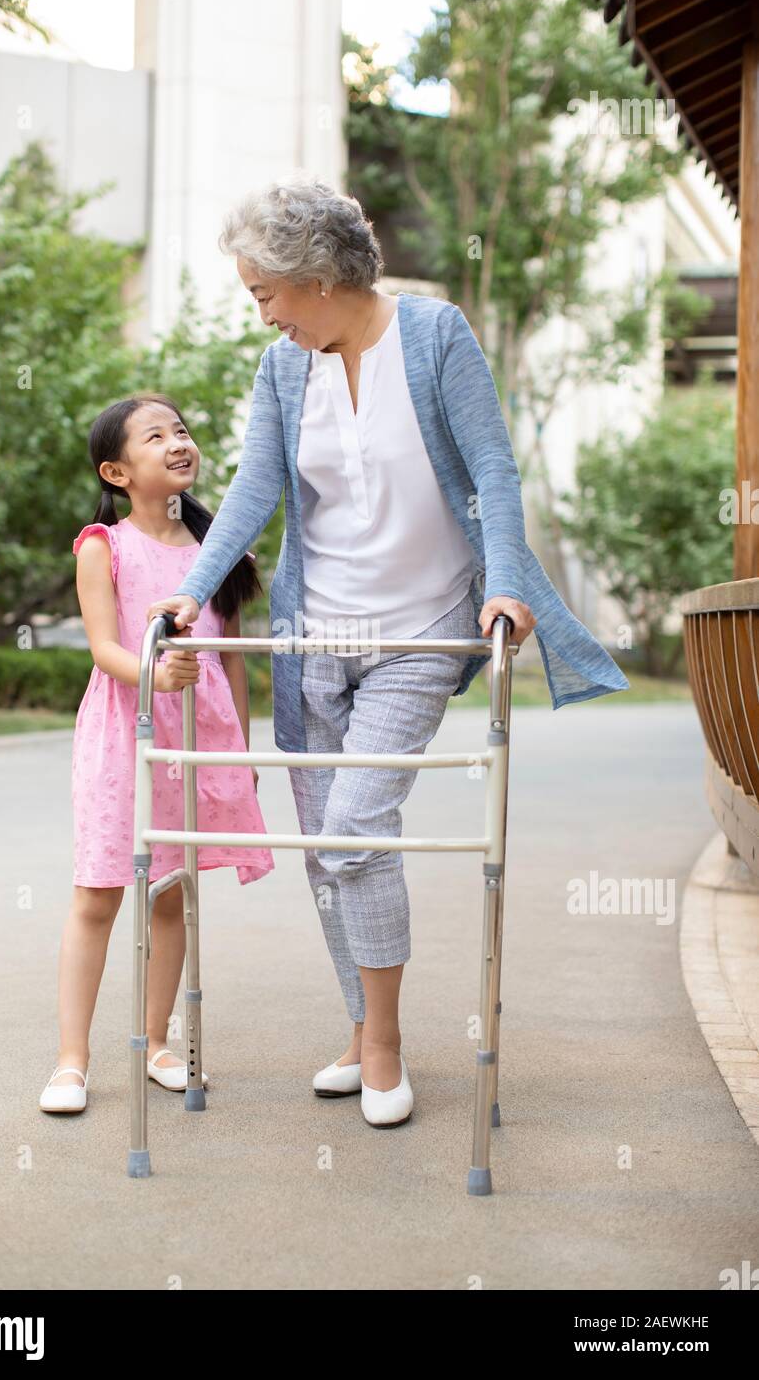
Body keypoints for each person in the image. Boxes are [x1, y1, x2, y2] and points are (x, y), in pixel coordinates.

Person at [146, 175, 629, 1129]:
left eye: (264, 294)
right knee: (331, 848)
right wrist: (191, 590)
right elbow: (255, 492)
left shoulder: (436, 334)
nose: (264, 314)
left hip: (419, 628)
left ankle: (388, 1046)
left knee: (357, 826)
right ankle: (362, 1025)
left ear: (317, 277)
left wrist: (502, 581)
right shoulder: (285, 369)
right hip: (316, 631)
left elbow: (491, 469)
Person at [40, 392, 274, 1114]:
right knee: (98, 893)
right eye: (155, 436)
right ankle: (72, 1060)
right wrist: (153, 672)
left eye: (180, 430)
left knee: (171, 894)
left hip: (197, 741)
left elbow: (230, 662)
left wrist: (240, 753)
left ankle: (157, 1043)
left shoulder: (217, 552)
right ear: (117, 471)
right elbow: (106, 646)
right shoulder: (101, 545)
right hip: (125, 733)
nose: (178, 442)